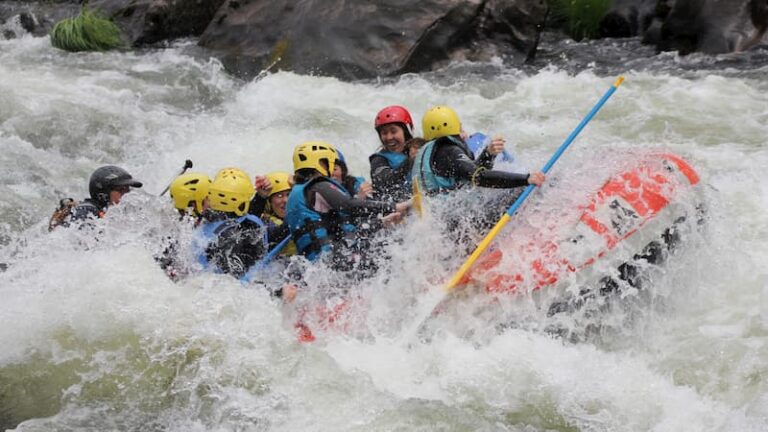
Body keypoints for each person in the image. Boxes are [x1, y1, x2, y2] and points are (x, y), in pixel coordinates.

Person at [285, 141, 410, 271]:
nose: (332, 168)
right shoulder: (318, 186)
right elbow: (350, 206)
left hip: (321, 269)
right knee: (394, 252)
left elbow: (341, 229)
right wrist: (395, 206)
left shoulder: (297, 194)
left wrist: (381, 223)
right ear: (320, 163)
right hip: (336, 263)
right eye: (329, 163)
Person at [412, 105, 545, 195]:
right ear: (455, 128)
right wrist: (526, 179)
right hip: (455, 221)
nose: (465, 133)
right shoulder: (449, 151)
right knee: (521, 190)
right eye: (461, 128)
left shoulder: (432, 151)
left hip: (443, 218)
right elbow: (479, 177)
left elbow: (470, 176)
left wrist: (489, 154)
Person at [49, 165, 143, 230]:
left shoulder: (124, 212)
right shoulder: (87, 211)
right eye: (121, 189)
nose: (127, 194)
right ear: (103, 193)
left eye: (128, 190)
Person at [369, 105, 415, 202]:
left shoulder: (419, 150)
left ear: (406, 132)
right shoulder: (378, 160)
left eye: (393, 131)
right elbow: (386, 181)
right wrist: (411, 161)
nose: (389, 137)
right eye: (384, 133)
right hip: (394, 210)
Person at [250, 171, 296, 256]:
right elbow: (248, 223)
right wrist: (260, 197)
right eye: (279, 196)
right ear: (269, 202)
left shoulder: (307, 214)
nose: (285, 200)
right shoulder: (265, 223)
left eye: (289, 194)